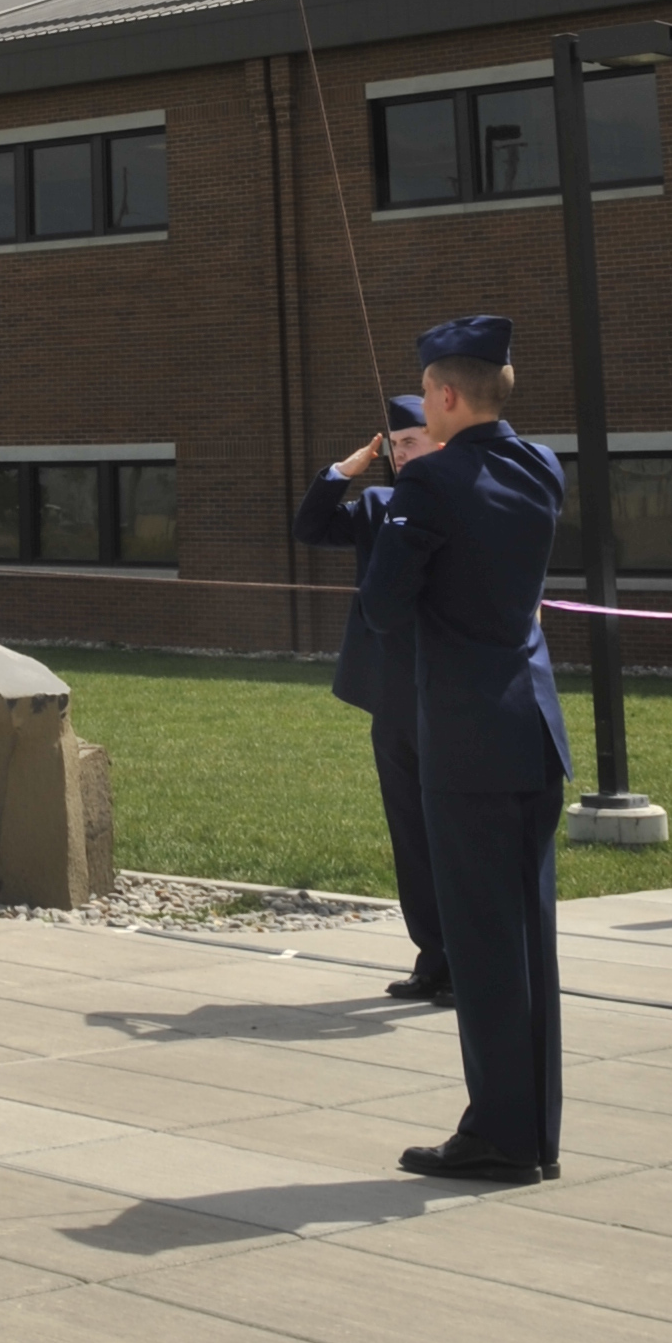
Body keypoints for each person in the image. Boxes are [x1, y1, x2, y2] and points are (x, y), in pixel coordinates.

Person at [360, 311, 570, 1186]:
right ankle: (534, 1133)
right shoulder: (543, 465)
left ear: (444, 396)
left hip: (467, 739)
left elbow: (383, 605)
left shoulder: (433, 484)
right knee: (531, 943)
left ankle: (498, 1137)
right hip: (533, 726)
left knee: (486, 949)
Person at [294, 391, 448, 1005]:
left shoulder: (465, 499)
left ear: (442, 440)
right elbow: (309, 527)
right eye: (397, 446)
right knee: (411, 836)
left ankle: (469, 963)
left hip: (450, 693)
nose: (404, 456)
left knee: (453, 834)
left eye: (414, 442)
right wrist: (344, 471)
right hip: (393, 696)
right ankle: (433, 960)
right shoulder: (379, 504)